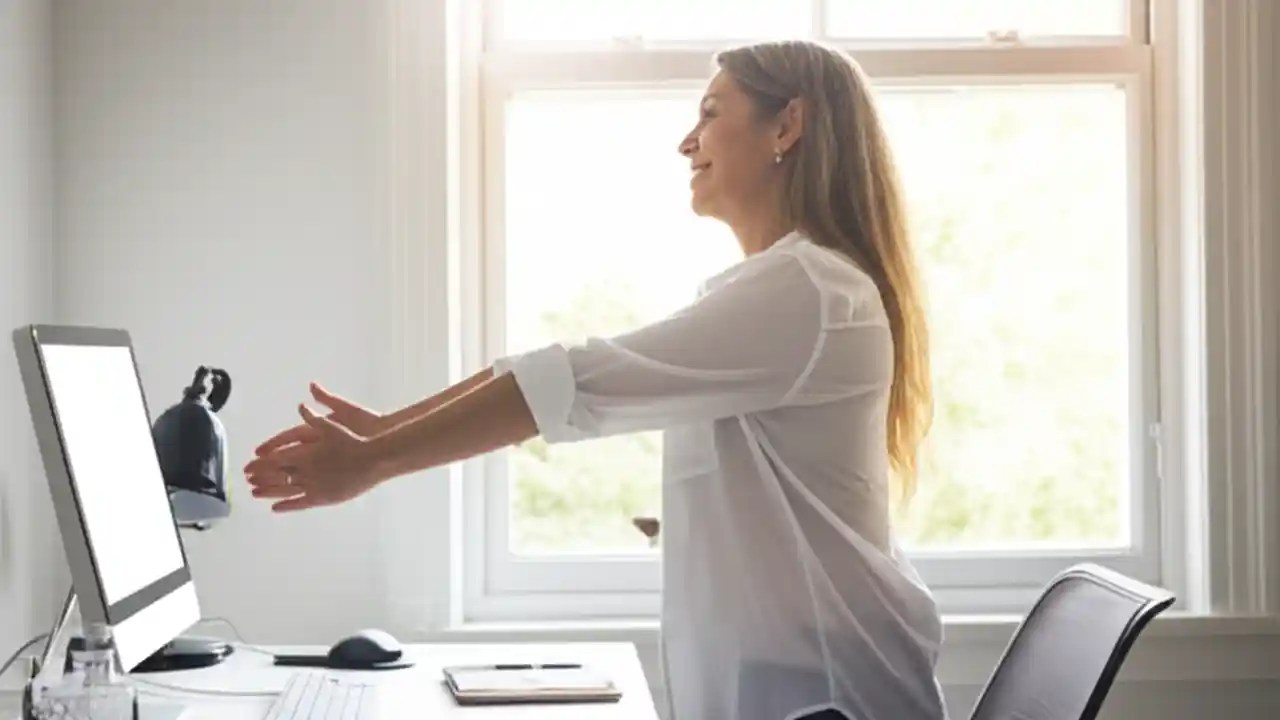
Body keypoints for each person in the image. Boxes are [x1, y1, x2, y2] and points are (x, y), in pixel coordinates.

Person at [245, 39, 946, 720]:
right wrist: (383, 431)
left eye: (709, 113)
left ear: (786, 125)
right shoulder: (791, 289)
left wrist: (376, 457)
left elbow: (572, 380)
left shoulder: (806, 290)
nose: (687, 142)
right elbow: (562, 376)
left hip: (826, 699)